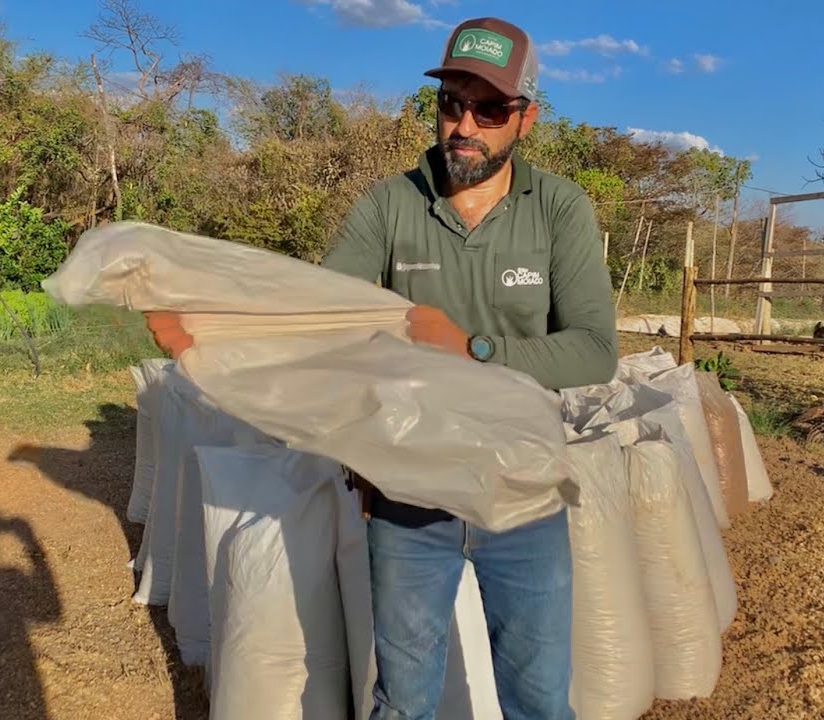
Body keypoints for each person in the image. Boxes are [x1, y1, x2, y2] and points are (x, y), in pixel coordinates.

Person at [145, 15, 617, 719]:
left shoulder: (557, 210)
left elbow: (593, 349)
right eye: (451, 103)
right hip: (408, 497)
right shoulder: (390, 206)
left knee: (541, 700)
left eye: (487, 109)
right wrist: (216, 331)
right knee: (400, 701)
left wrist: (472, 349)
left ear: (525, 117)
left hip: (522, 490)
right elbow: (321, 313)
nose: (464, 125)